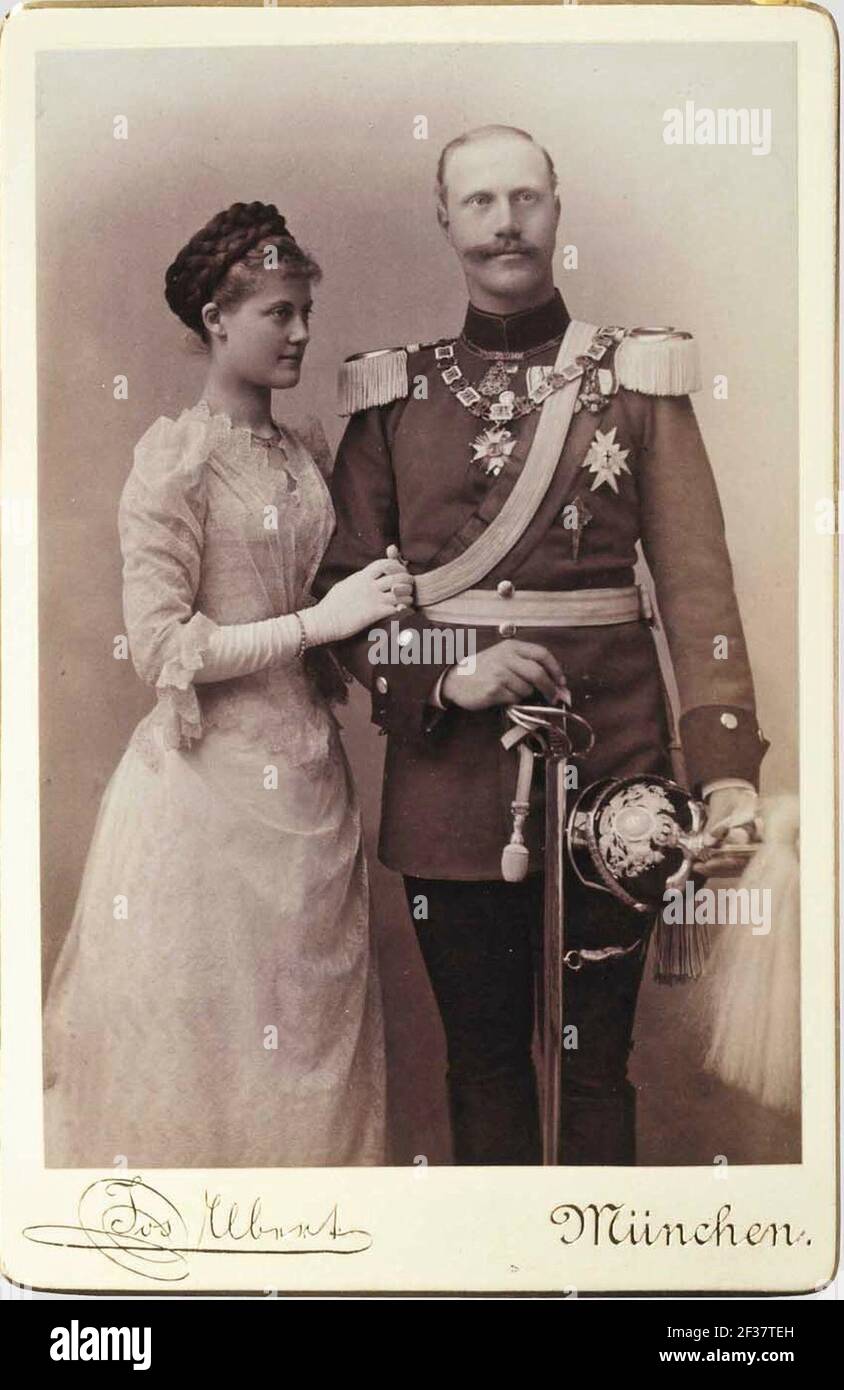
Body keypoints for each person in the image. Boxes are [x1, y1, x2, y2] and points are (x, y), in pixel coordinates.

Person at [317, 127, 769, 1166]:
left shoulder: (638, 381)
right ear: (446, 222)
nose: (504, 221)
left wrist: (727, 771)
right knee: (480, 1064)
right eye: (478, 202)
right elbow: (342, 598)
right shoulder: (395, 399)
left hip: (615, 782)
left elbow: (698, 587)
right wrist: (451, 673)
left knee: (596, 1069)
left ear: (557, 209)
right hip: (447, 789)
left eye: (524, 197)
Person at [43, 201, 411, 1167]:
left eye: (304, 312)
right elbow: (162, 644)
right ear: (216, 318)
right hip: (206, 800)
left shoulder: (306, 457)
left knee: (310, 1045)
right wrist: (319, 623)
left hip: (312, 784)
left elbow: (339, 611)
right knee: (215, 1049)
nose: (299, 333)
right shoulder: (177, 458)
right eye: (277, 314)